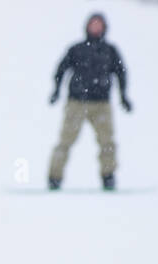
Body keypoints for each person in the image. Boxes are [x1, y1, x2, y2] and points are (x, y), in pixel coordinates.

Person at [47, 12, 132, 191]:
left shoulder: (110, 50)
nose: (96, 27)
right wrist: (56, 91)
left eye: (98, 24)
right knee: (65, 141)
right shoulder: (77, 49)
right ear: (87, 26)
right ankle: (54, 177)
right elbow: (61, 70)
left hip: (101, 104)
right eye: (93, 24)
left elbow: (121, 73)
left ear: (104, 27)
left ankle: (108, 176)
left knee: (107, 142)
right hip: (77, 103)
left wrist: (123, 96)